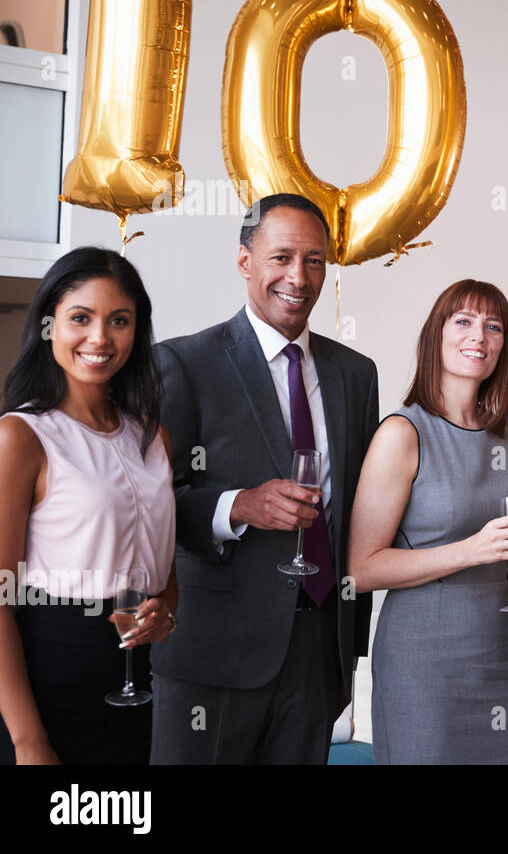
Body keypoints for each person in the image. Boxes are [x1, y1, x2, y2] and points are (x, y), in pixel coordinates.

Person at [150, 193, 379, 764]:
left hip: (319, 651)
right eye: (281, 257)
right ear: (244, 261)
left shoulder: (356, 373)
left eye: (314, 260)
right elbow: (151, 507)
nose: (298, 277)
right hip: (213, 652)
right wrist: (237, 506)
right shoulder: (182, 363)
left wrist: (348, 652)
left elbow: (360, 512)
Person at [349, 280, 508, 763]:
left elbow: (503, 561)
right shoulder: (403, 433)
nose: (478, 336)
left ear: (503, 345)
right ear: (435, 336)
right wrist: (470, 550)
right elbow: (361, 569)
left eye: (493, 326)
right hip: (423, 668)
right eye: (463, 321)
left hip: (499, 658)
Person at [0, 248, 177, 765]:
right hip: (45, 676)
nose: (100, 338)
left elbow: (162, 574)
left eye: (119, 321)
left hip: (133, 678)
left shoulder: (155, 439)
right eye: (81, 317)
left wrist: (165, 616)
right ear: (49, 325)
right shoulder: (21, 436)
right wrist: (28, 742)